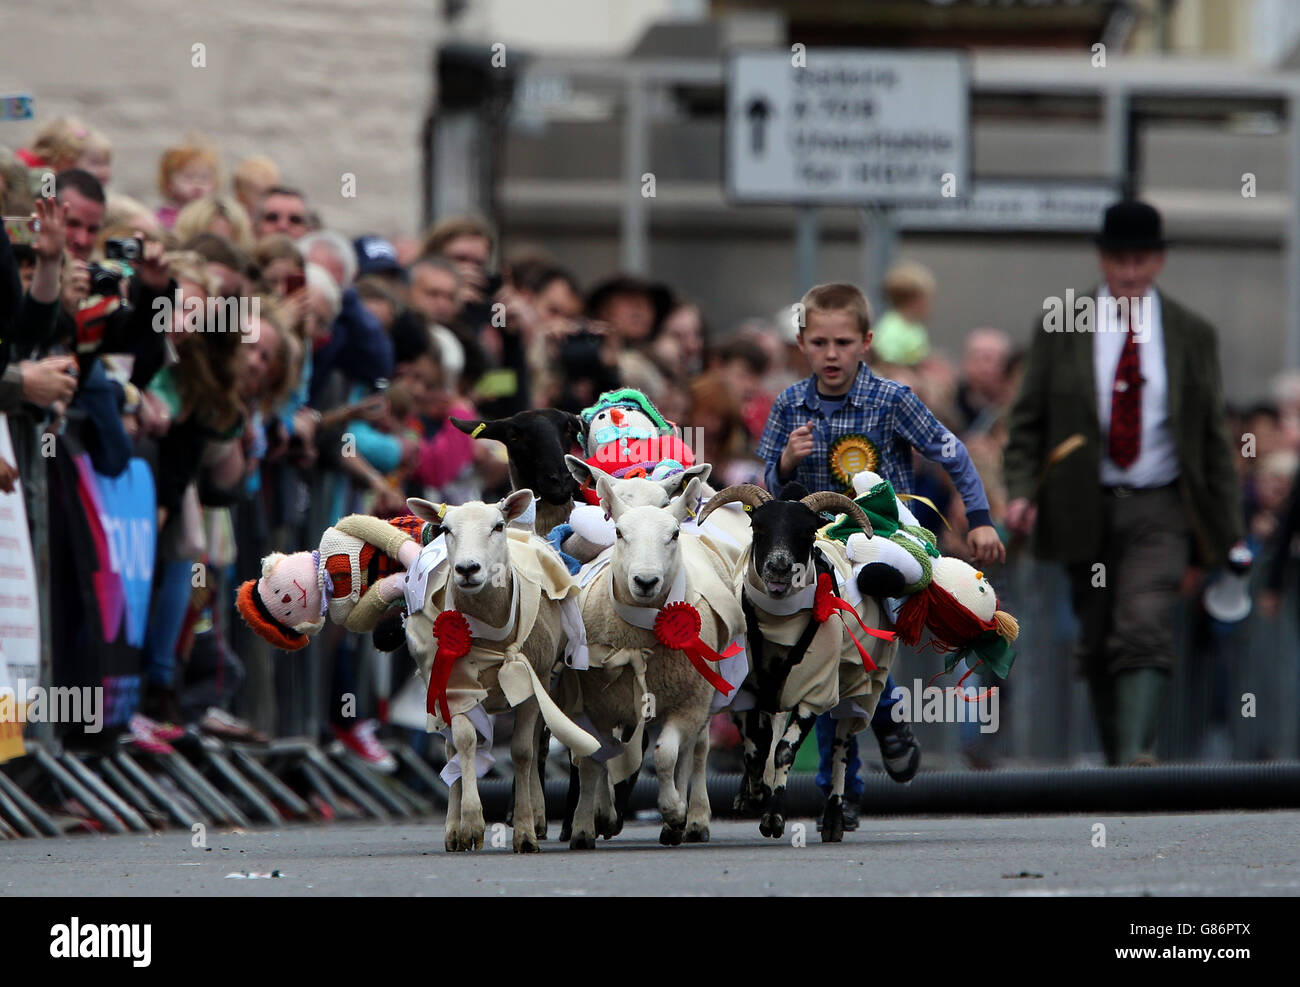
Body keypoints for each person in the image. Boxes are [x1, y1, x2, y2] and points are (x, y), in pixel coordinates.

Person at [1003, 199, 1247, 766]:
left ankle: (1139, 754)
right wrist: (1020, 491)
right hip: (1081, 505)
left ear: (1160, 261)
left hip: (1160, 504)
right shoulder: (1062, 323)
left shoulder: (1191, 333)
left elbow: (1212, 438)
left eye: (1141, 261)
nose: (1131, 273)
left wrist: (1228, 532)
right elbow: (1027, 420)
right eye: (1119, 261)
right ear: (1102, 259)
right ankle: (1119, 764)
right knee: (1095, 638)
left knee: (1143, 619)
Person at [756, 282, 1006, 820]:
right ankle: (847, 780)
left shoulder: (893, 400)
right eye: (819, 342)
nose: (831, 354)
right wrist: (782, 464)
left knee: (846, 645)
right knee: (826, 660)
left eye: (843, 342)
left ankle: (870, 743)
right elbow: (763, 495)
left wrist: (980, 519)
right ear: (802, 342)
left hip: (882, 542)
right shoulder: (788, 405)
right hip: (815, 553)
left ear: (866, 341)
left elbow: (952, 452)